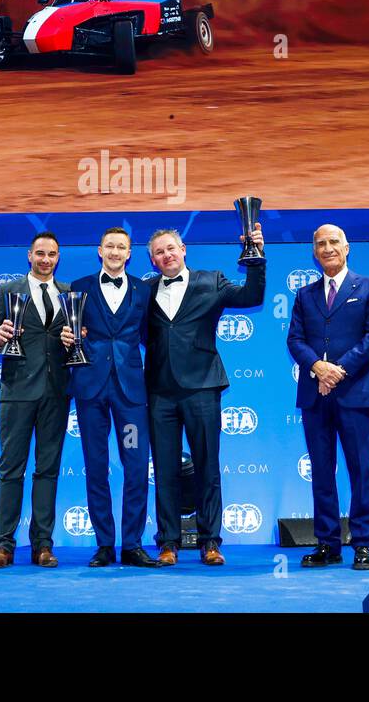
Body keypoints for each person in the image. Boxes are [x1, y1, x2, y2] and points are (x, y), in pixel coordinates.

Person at [145, 224, 265, 566]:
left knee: (207, 467)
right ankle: (167, 543)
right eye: (159, 252)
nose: (166, 255)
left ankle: (210, 541)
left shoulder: (211, 280)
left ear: (183, 250)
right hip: (159, 392)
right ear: (153, 261)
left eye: (171, 248)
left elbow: (251, 296)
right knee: (165, 471)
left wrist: (256, 256)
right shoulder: (146, 290)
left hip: (202, 387)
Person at [286, 224, 369, 570]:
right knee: (322, 473)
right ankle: (328, 544)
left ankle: (364, 545)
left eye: (333, 242)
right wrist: (317, 367)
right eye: (320, 244)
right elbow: (295, 340)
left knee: (362, 472)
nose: (327, 248)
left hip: (356, 394)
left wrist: (336, 371)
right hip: (315, 396)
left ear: (347, 247)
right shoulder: (304, 295)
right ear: (314, 252)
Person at [0, 232, 71, 568]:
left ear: (59, 257)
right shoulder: (8, 291)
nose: (46, 260)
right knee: (12, 471)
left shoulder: (69, 294)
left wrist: (77, 340)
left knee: (48, 471)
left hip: (57, 393)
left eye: (52, 254)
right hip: (17, 393)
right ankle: (3, 545)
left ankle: (43, 545)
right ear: (30, 255)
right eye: (40, 253)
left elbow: (76, 342)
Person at [67, 227, 158, 568]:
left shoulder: (143, 290)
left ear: (130, 253)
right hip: (91, 390)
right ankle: (104, 544)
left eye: (122, 247)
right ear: (99, 250)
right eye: (110, 246)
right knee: (96, 467)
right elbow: (69, 334)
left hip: (131, 394)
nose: (116, 252)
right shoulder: (79, 287)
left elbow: (151, 337)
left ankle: (132, 544)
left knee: (135, 467)